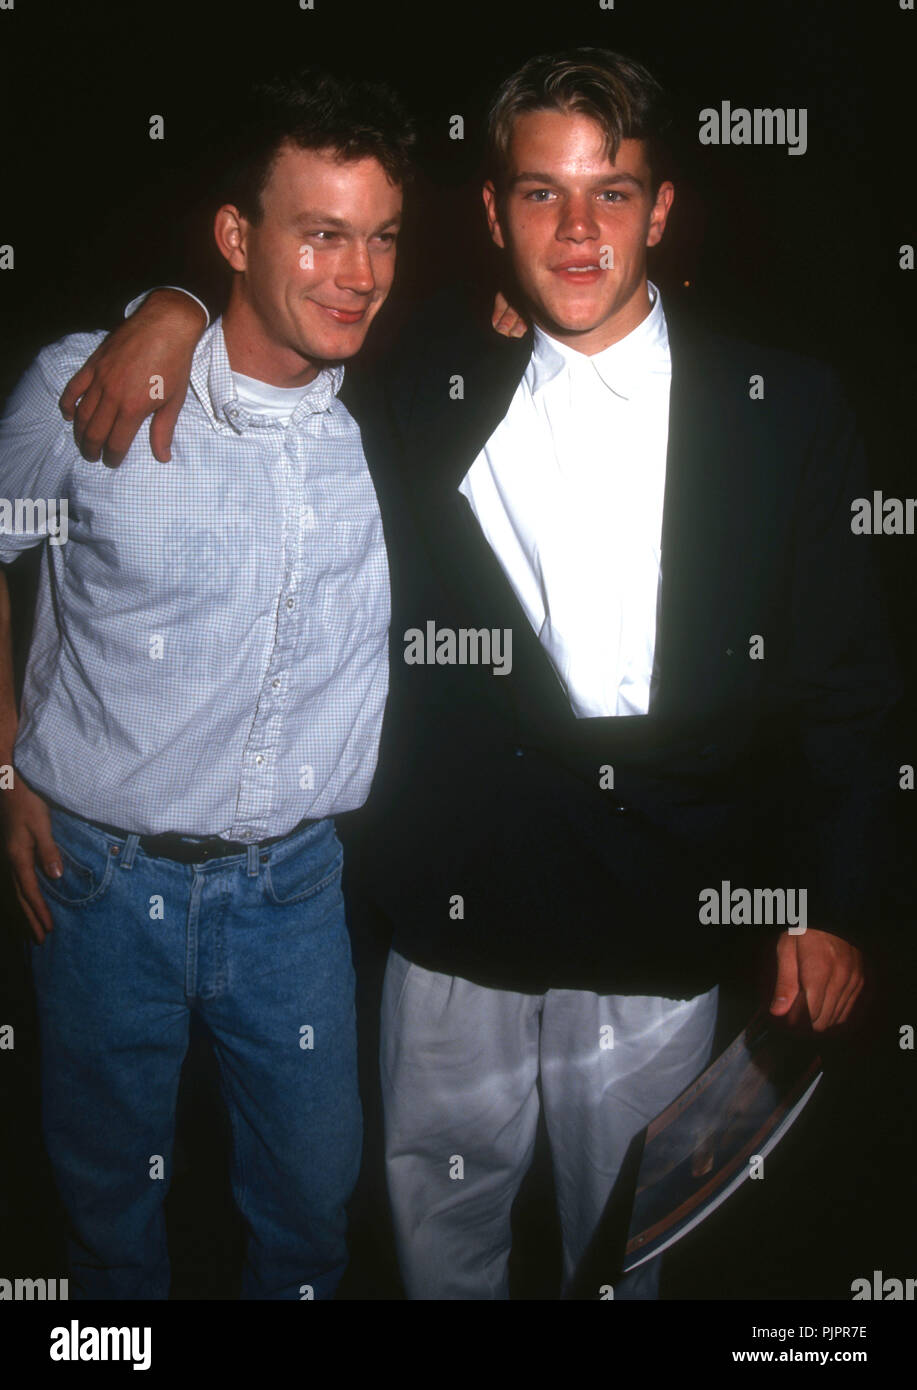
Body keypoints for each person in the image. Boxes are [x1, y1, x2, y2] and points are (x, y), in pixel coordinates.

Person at [23, 48, 902, 1300]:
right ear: (492, 216)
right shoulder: (415, 376)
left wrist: (829, 894)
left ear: (658, 208)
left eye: (612, 192)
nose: (579, 228)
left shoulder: (787, 407)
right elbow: (264, 318)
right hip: (450, 917)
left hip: (664, 919)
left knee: (631, 1255)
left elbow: (845, 682)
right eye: (541, 193)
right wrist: (166, 302)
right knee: (435, 1247)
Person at [0, 68, 413, 1299]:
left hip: (293, 897)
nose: (358, 274)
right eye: (321, 232)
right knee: (107, 1231)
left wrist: (173, 299)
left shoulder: (396, 412)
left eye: (382, 236)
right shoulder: (90, 387)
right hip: (95, 884)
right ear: (239, 236)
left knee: (308, 1220)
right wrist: (5, 762)